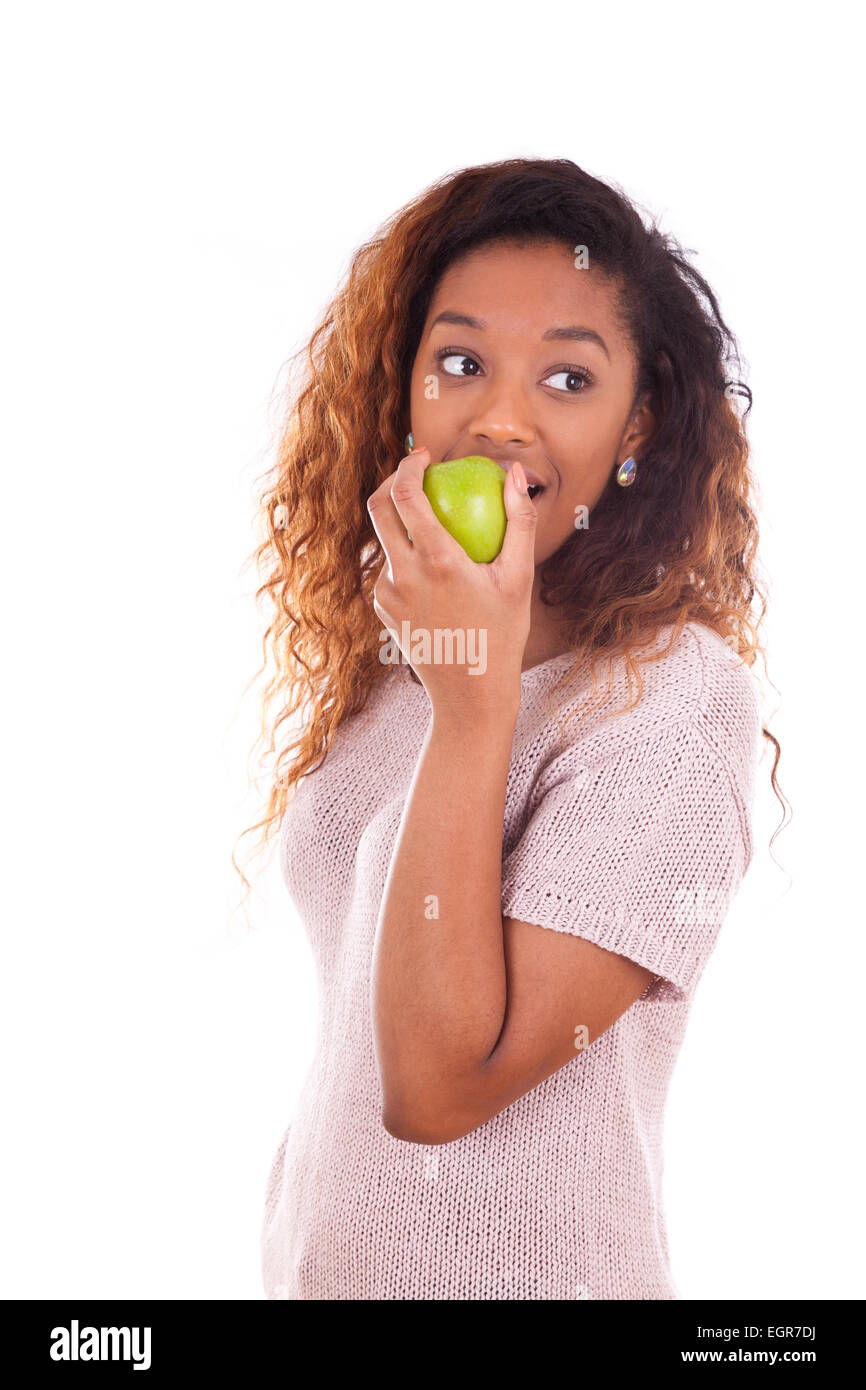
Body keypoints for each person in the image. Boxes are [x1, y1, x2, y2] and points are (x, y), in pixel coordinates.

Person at [240, 157, 788, 1300]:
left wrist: (474, 704)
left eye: (567, 378)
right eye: (459, 362)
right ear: (402, 391)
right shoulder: (400, 665)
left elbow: (438, 1088)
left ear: (635, 426)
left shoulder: (669, 702)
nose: (498, 417)